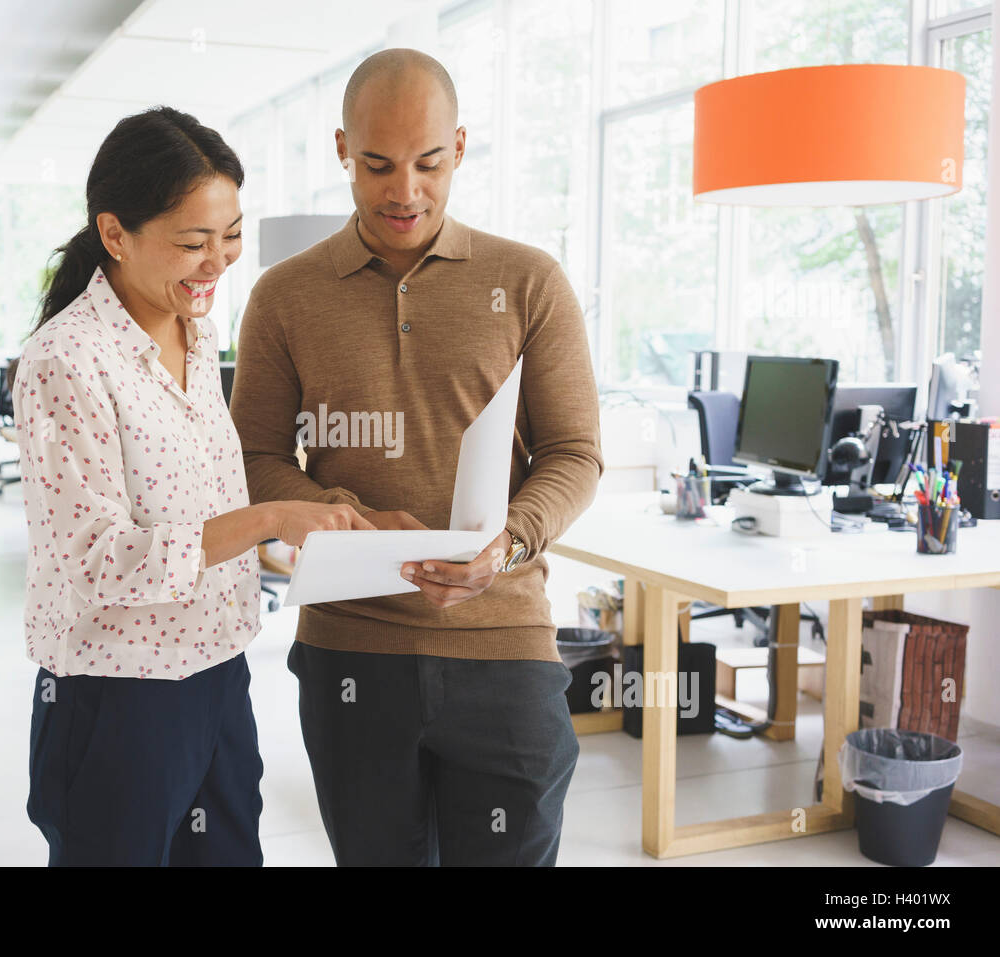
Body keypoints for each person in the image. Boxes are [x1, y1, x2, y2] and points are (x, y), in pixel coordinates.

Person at [230, 50, 604, 866]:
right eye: (377, 164)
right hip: (350, 653)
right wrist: (347, 518)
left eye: (430, 162)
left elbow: (575, 454)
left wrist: (504, 543)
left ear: (461, 148)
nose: (405, 190)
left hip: (504, 648)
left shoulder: (531, 281)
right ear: (341, 150)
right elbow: (254, 456)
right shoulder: (284, 296)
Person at [14, 106, 373, 867]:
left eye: (231, 235)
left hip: (217, 671)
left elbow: (197, 498)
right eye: (193, 242)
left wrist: (322, 522)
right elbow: (98, 561)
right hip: (117, 694)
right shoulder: (64, 362)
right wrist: (269, 517)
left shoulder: (197, 329)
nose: (218, 261)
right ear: (115, 234)